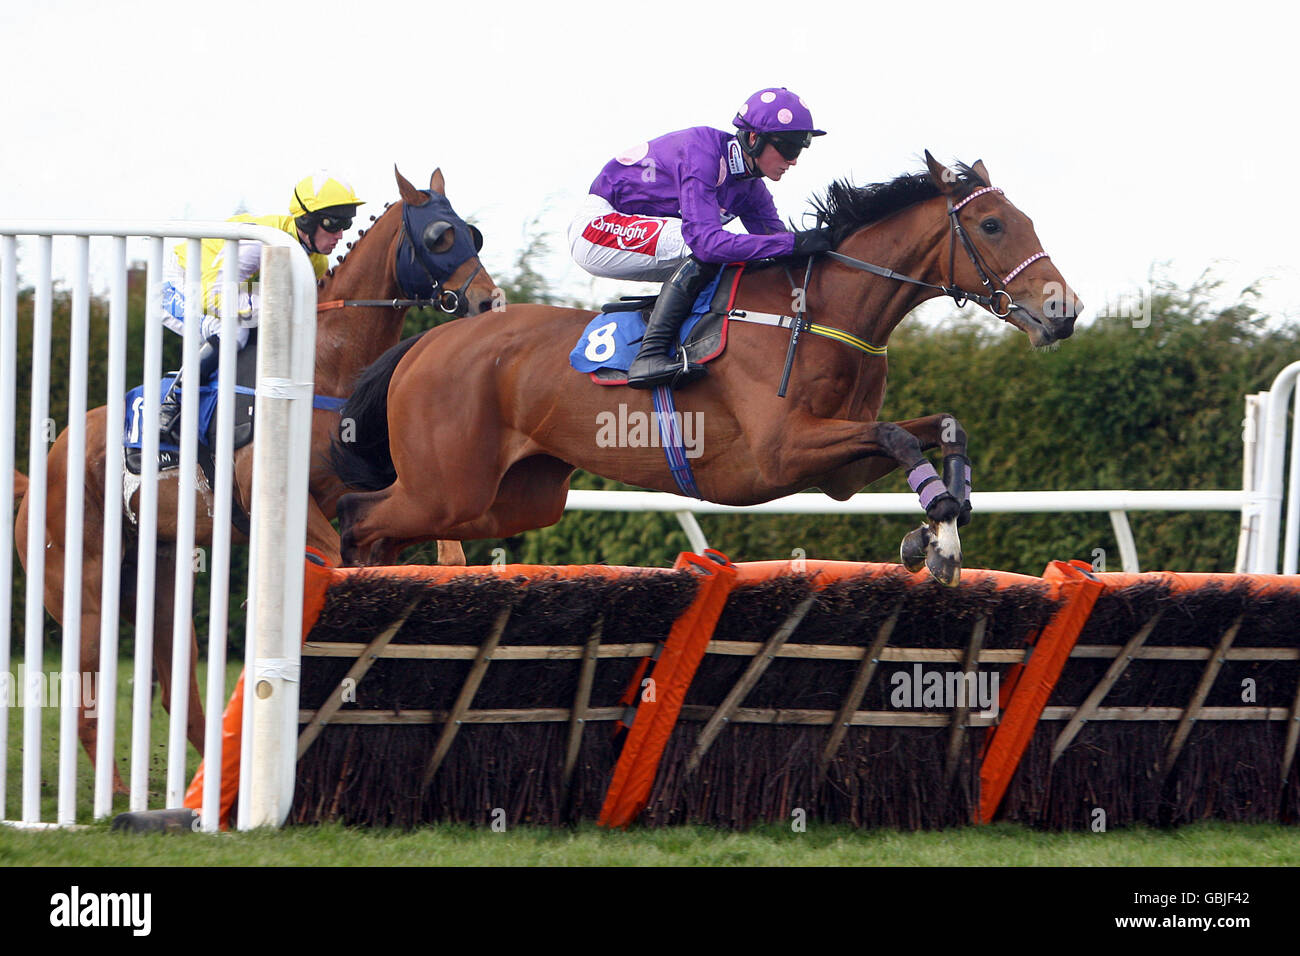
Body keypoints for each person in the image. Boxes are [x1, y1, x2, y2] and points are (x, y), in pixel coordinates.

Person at [569, 87, 832, 389]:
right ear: (754, 138)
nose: (794, 161)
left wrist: (825, 244)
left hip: (638, 232)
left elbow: (779, 249)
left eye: (800, 150)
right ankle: (648, 356)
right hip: (597, 227)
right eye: (789, 149)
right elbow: (706, 244)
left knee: (737, 261)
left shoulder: (752, 191)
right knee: (705, 248)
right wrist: (792, 243)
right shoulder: (702, 150)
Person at [157, 170, 364, 442]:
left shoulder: (316, 262)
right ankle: (173, 402)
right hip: (185, 283)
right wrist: (276, 306)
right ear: (308, 220)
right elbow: (215, 298)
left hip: (230, 288)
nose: (339, 235)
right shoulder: (258, 242)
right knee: (233, 331)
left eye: (346, 225)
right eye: (333, 224)